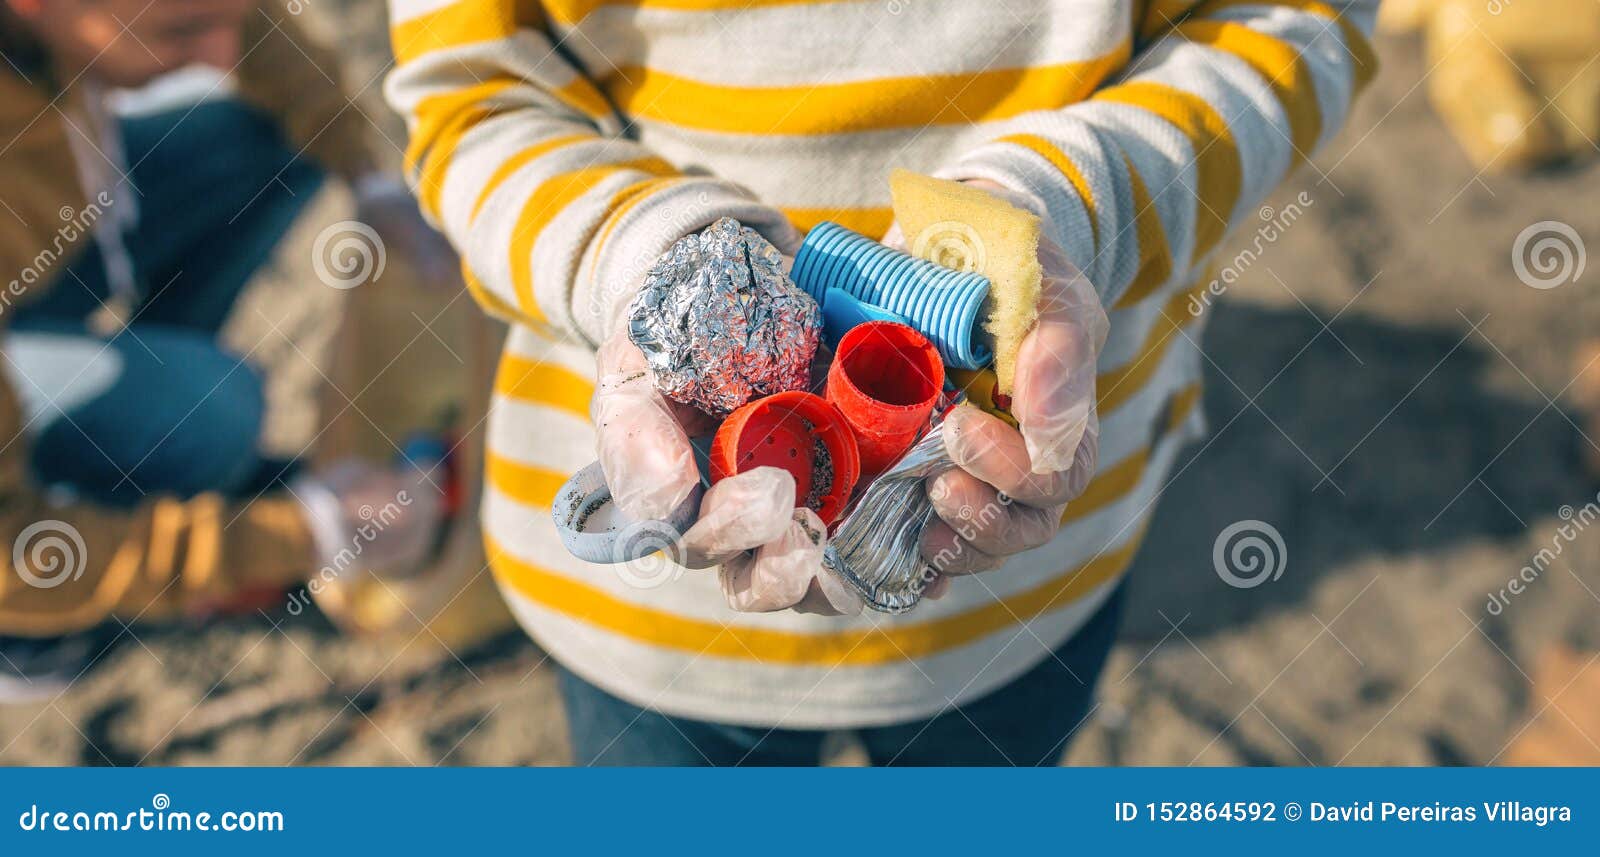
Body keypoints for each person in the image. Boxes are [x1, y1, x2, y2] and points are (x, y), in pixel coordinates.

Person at [387, 0, 1379, 764]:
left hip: (1031, 576)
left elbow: (1291, 22)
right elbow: (471, 95)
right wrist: (647, 260)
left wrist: (1072, 200)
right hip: (653, 615)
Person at [0, 0, 449, 700]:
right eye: (177, 31)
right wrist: (306, 532)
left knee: (268, 142)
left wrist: (368, 178)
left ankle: (146, 425)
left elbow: (252, 26)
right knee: (217, 407)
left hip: (53, 213)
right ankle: (28, 634)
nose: (219, 56)